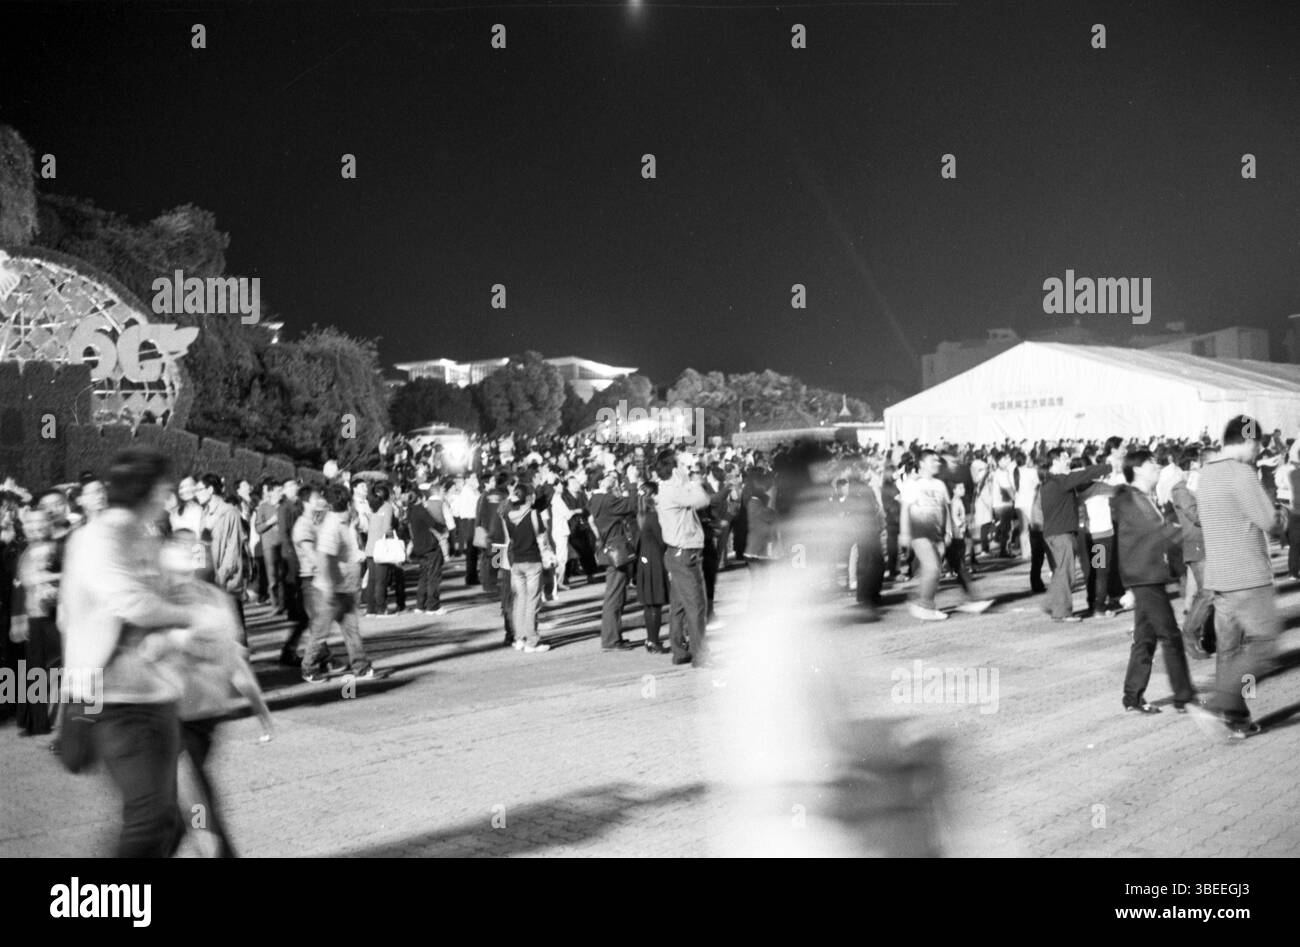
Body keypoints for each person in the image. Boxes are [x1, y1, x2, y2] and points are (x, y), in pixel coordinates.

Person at [59, 446, 196, 857]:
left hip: (152, 695)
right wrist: (187, 616)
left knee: (168, 820)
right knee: (150, 817)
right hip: (117, 702)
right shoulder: (99, 536)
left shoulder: (142, 535)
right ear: (149, 490)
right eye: (164, 489)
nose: (168, 497)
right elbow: (131, 602)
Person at [152, 530, 274, 857]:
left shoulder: (216, 598)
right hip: (169, 720)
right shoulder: (154, 601)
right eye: (180, 547)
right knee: (201, 811)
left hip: (206, 720)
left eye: (194, 547)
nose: (191, 553)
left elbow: (233, 657)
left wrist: (260, 707)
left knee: (180, 810)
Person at [1194, 416, 1287, 739]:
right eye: (1258, 446)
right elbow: (1269, 520)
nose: (1258, 452)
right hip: (1248, 575)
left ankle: (1234, 718)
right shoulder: (1240, 472)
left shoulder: (1206, 474)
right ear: (1249, 441)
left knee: (1230, 651)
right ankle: (1215, 701)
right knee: (1266, 644)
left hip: (1219, 578)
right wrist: (1283, 516)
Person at [1110, 450, 1196, 715]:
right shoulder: (1127, 497)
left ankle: (1132, 696)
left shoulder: (1142, 498)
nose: (1157, 466)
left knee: (1145, 638)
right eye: (1151, 463)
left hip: (1150, 575)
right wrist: (1197, 539)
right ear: (1136, 469)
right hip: (1143, 576)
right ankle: (1184, 696)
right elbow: (1157, 530)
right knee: (1170, 635)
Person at [302, 483, 376, 682]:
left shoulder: (346, 520)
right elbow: (324, 557)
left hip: (345, 585)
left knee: (350, 629)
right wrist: (327, 587)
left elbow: (360, 531)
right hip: (332, 588)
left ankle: (360, 666)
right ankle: (308, 667)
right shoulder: (332, 526)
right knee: (321, 631)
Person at [1040, 447, 1114, 622]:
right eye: (1065, 458)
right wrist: (1108, 467)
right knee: (1081, 573)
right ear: (1056, 460)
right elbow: (1086, 475)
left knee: (1071, 572)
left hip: (1074, 535)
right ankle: (1069, 610)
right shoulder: (1063, 482)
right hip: (1091, 537)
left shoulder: (1052, 483)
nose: (1068, 462)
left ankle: (1055, 604)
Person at [655, 448, 712, 666]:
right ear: (674, 469)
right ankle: (701, 655)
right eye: (681, 465)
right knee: (696, 605)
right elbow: (702, 499)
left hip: (676, 552)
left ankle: (679, 650)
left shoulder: (668, 488)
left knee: (679, 606)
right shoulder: (674, 490)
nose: (686, 469)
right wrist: (694, 479)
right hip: (685, 553)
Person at [589, 470, 639, 652]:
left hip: (610, 547)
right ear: (601, 482)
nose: (613, 479)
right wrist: (632, 484)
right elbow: (632, 505)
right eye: (609, 477)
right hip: (616, 549)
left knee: (617, 595)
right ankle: (610, 639)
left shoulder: (596, 500)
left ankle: (614, 636)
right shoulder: (606, 500)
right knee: (614, 596)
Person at [196, 473, 248, 644]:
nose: (197, 494)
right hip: (210, 582)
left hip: (227, 583)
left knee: (236, 635)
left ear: (210, 490)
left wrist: (220, 578)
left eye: (199, 489)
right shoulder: (204, 514)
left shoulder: (230, 512)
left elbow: (232, 551)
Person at [500, 481, 551, 653]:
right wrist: (548, 556)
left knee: (519, 601)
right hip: (532, 560)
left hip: (516, 561)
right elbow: (541, 538)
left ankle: (519, 638)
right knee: (532, 601)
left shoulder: (507, 515)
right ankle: (532, 640)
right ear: (527, 498)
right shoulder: (533, 515)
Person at [282, 485, 326, 665]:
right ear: (307, 502)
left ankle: (288, 652)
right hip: (310, 577)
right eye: (317, 498)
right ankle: (319, 658)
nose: (321, 501)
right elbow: (311, 554)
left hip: (312, 577)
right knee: (318, 621)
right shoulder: (303, 525)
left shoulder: (314, 522)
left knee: (306, 619)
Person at [636, 481, 670, 654]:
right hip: (655, 561)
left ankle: (651, 639)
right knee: (655, 603)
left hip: (645, 561)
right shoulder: (653, 516)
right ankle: (654, 641)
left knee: (649, 605)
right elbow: (663, 540)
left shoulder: (641, 514)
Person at [408, 482, 449, 616]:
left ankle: (420, 604)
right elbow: (433, 523)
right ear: (420, 498)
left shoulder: (411, 510)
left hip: (418, 547)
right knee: (434, 576)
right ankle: (433, 606)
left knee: (424, 576)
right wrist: (444, 530)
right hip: (429, 546)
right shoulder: (421, 510)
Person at [255, 478, 285, 614]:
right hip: (270, 547)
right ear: (271, 492)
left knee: (284, 576)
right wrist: (271, 522)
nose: (281, 493)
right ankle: (275, 605)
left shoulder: (285, 505)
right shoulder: (263, 507)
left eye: (282, 490)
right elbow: (258, 528)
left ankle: (285, 604)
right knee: (273, 578)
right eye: (279, 490)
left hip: (284, 545)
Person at [452, 473, 481, 586]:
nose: (476, 480)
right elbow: (477, 504)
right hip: (470, 521)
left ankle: (473, 575)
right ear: (468, 479)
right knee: (471, 550)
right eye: (473, 478)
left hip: (472, 521)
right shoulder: (467, 491)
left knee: (473, 551)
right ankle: (471, 576)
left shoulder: (472, 490)